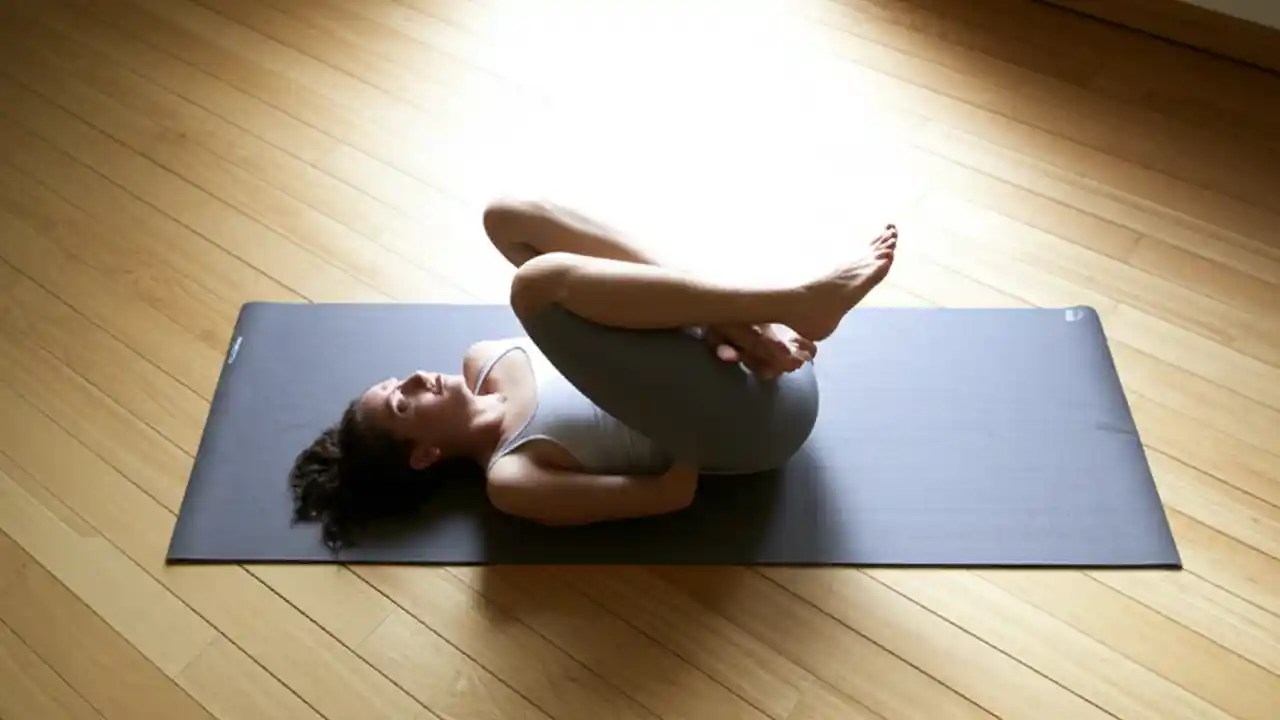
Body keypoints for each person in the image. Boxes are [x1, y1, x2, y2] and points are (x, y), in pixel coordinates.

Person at [289, 201, 898, 549]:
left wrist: (706, 341)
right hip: (751, 425)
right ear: (426, 454)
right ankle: (786, 302)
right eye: (403, 403)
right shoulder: (512, 477)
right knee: (537, 286)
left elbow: (615, 320)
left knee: (505, 218)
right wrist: (682, 394)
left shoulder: (484, 360)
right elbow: (671, 494)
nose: (419, 378)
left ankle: (751, 322)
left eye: (400, 379)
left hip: (746, 357)